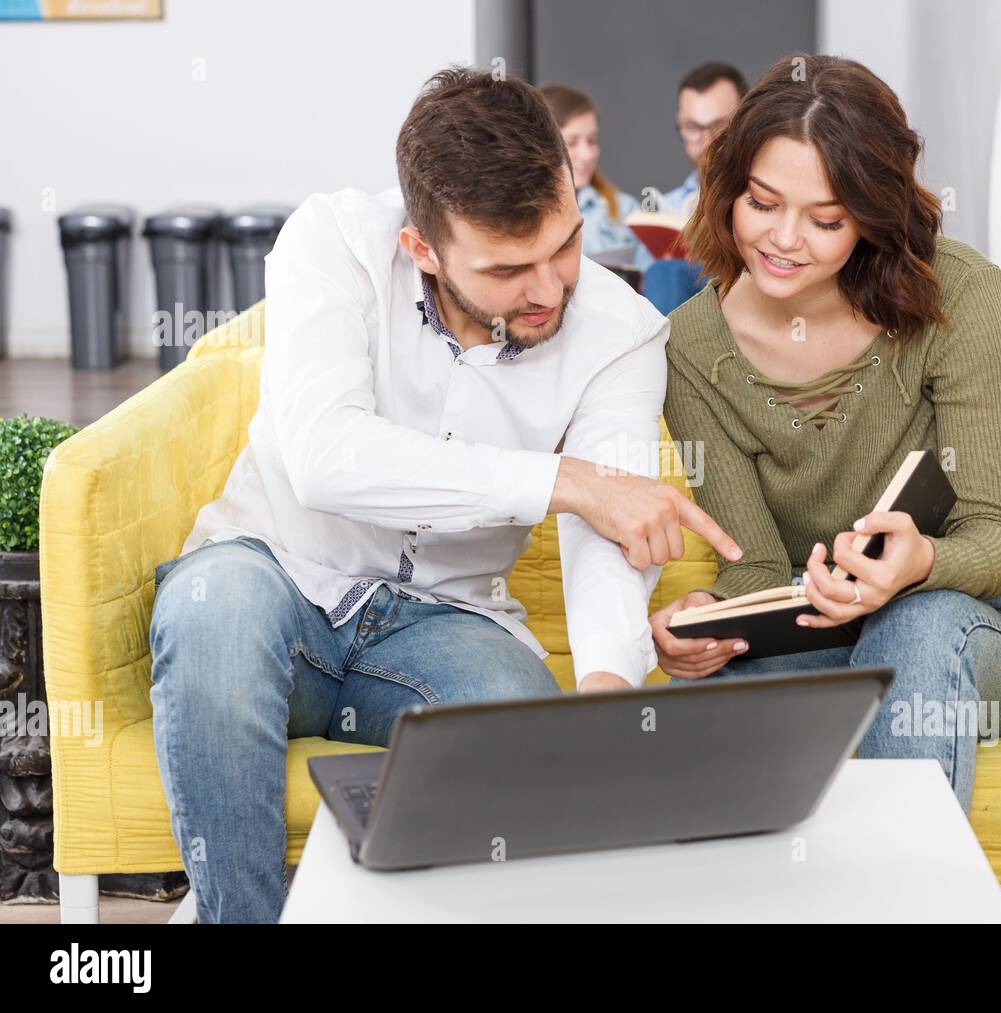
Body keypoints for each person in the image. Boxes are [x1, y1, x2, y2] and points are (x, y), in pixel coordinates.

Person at [149, 67, 740, 923]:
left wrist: (611, 680)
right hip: (276, 573)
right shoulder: (335, 241)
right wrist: (562, 481)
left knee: (527, 745)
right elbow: (325, 454)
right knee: (211, 608)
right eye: (509, 268)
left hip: (448, 619)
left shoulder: (621, 329)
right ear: (421, 247)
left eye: (565, 245)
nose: (550, 288)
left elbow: (611, 521)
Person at [654, 53, 1001, 817]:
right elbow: (757, 571)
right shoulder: (689, 349)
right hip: (824, 646)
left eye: (827, 219)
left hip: (977, 627)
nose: (783, 240)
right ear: (727, 188)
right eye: (761, 203)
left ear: (872, 213)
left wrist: (920, 562)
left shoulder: (956, 294)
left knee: (913, 627)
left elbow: (997, 536)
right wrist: (706, 623)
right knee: (699, 720)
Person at [644, 61, 749, 315]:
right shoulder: (662, 208)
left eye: (718, 126)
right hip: (673, 317)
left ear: (744, 120)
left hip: (742, 305)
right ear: (679, 125)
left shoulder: (762, 196)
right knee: (662, 271)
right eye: (692, 127)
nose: (705, 140)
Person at [539, 83, 654, 273]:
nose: (587, 155)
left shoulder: (624, 210)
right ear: (542, 145)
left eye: (592, 141)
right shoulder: (524, 214)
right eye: (572, 142)